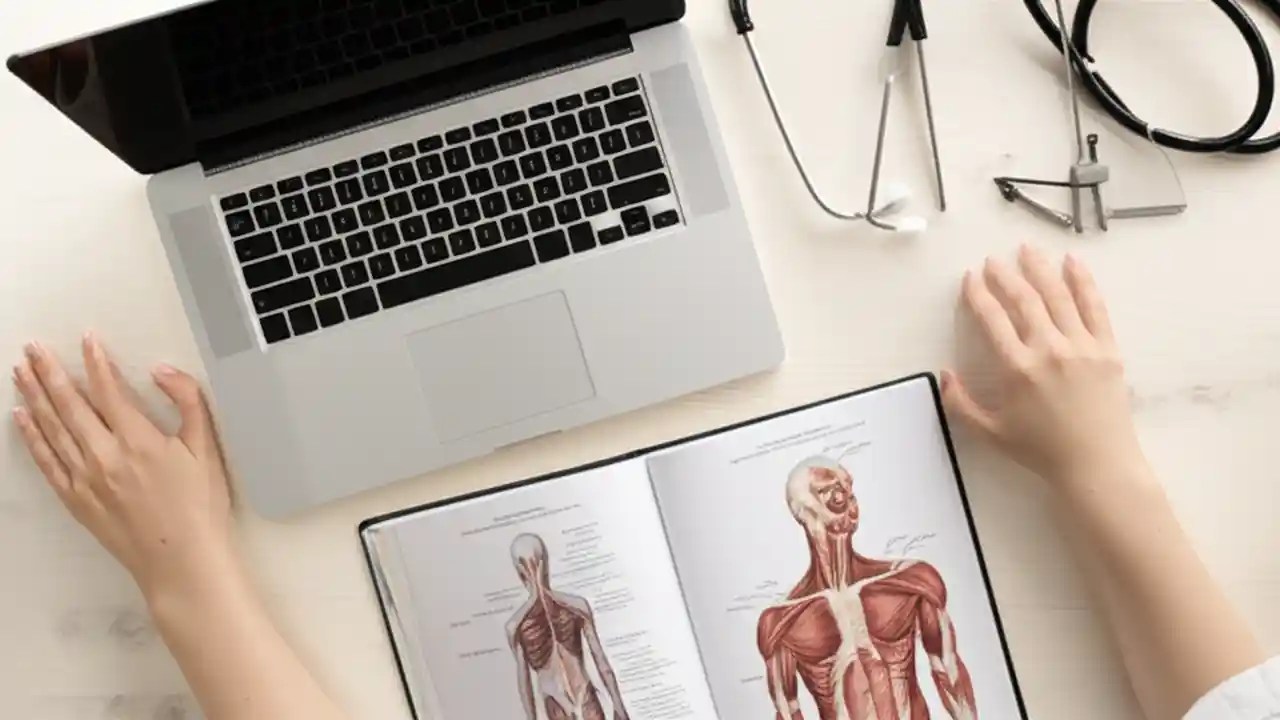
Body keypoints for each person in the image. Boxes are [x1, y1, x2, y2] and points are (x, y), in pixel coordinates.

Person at [9, 246, 1277, 720]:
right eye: (820, 494)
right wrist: (1094, 463)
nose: (835, 508)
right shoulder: (790, 623)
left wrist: (182, 577)